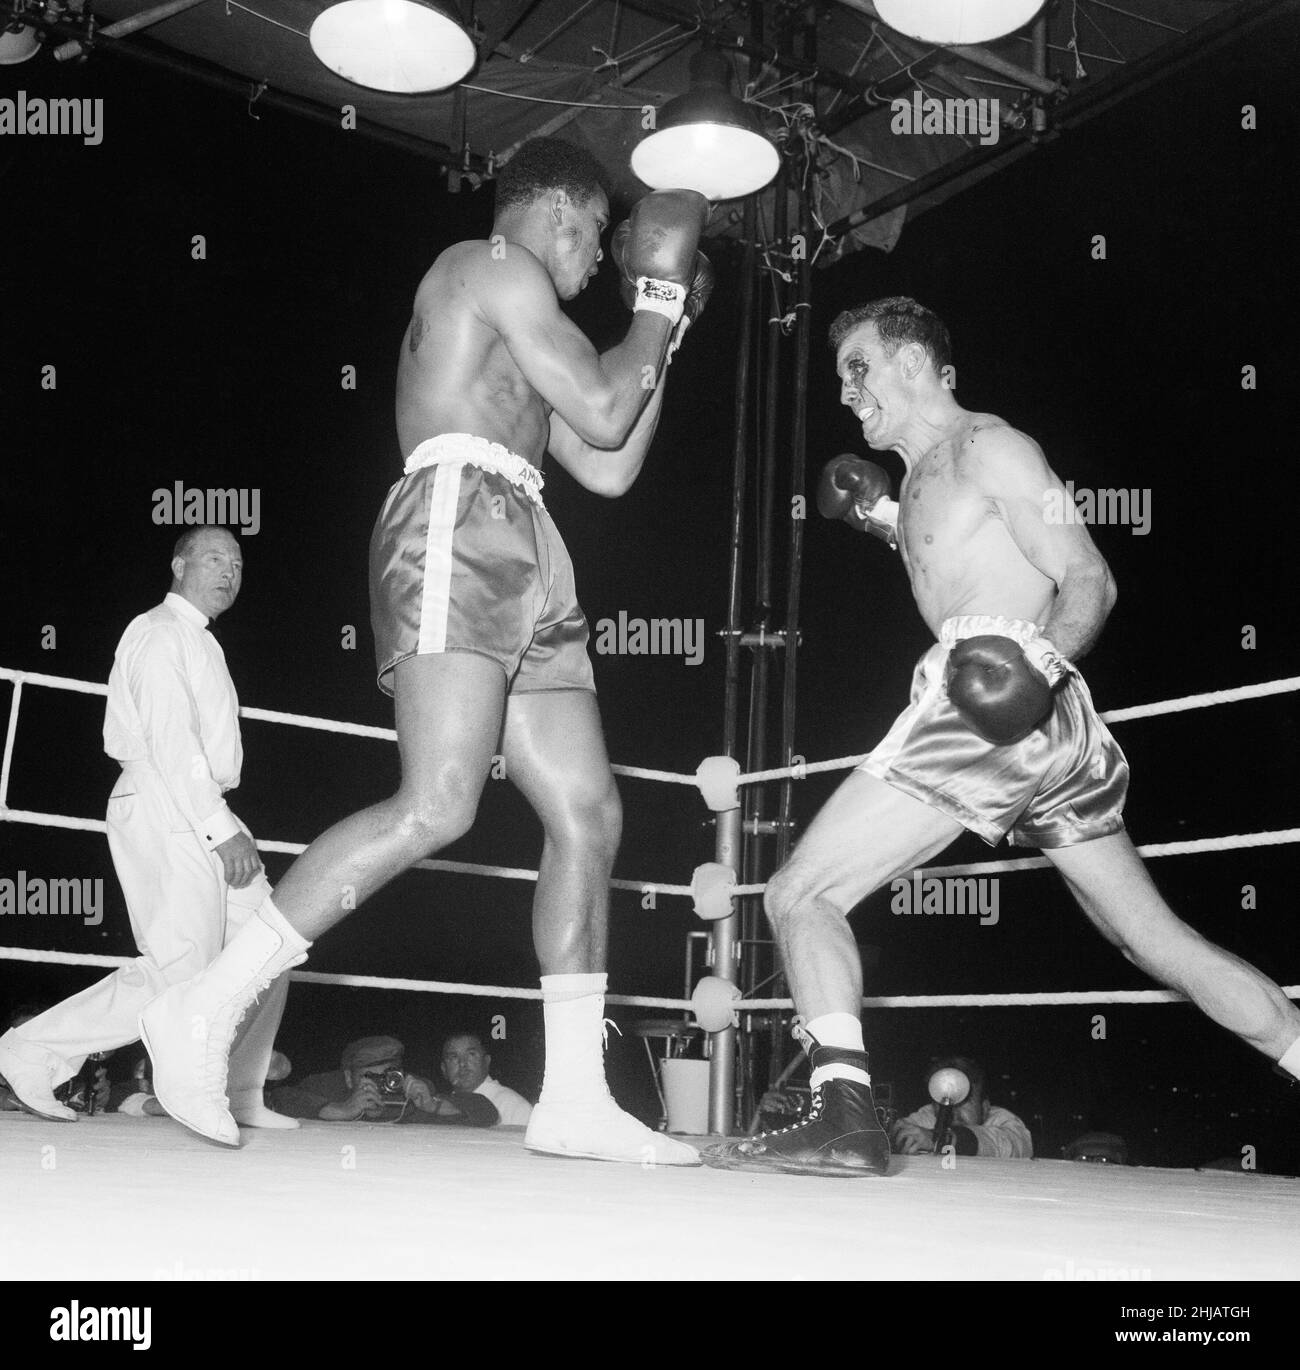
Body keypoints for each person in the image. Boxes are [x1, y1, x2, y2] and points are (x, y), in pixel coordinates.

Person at [136, 138, 713, 1164]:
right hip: (459, 514)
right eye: (596, 240)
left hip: (530, 535)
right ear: (565, 211)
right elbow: (603, 397)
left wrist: (663, 336)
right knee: (440, 798)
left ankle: (574, 1094)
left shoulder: (533, 337)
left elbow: (609, 458)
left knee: (589, 811)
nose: (600, 267)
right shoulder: (484, 264)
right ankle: (201, 1008)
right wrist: (654, 306)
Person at [703, 295, 1300, 1177]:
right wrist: (876, 518)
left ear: (914, 363)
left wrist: (1037, 670)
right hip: (1037, 724)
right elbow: (960, 566)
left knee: (799, 891)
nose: (846, 394)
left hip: (1003, 692)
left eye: (859, 368)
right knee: (1154, 942)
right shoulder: (917, 484)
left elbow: (1088, 576)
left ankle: (844, 1113)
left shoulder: (991, 448)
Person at [0, 528, 294, 1132]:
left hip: (198, 801)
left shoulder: (200, 641)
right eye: (214, 558)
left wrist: (217, 819)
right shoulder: (159, 632)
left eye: (237, 563)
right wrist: (219, 828)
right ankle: (32, 1050)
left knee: (272, 943)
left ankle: (241, 1088)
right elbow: (169, 740)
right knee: (179, 967)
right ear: (178, 564)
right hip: (166, 799)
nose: (229, 572)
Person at [270, 1035, 498, 1125]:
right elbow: (277, 1098)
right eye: (370, 1076)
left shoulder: (408, 1098)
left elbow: (486, 1111)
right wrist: (337, 1110)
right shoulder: (331, 1087)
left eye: (388, 1075)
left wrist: (433, 1105)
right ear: (350, 1078)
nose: (381, 1084)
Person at [889, 1056, 1033, 1158]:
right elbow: (901, 1129)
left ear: (985, 1106)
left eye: (965, 1101)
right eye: (943, 1100)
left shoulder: (1002, 1119)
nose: (953, 1111)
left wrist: (941, 1140)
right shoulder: (928, 1116)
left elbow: (1017, 1144)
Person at [440, 1031, 534, 1126]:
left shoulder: (514, 1107)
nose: (462, 1064)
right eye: (453, 1057)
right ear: (444, 1069)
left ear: (486, 1061)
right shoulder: (440, 1107)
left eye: (471, 1055)